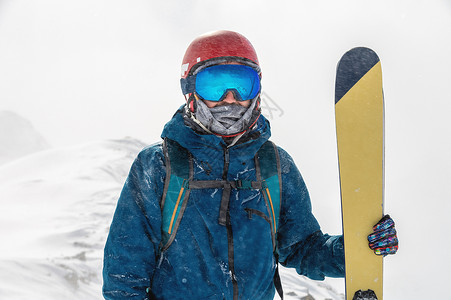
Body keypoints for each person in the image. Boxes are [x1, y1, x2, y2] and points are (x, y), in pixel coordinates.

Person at [102, 30, 398, 300]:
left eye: (242, 85)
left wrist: (357, 251)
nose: (230, 99)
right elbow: (124, 274)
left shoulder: (273, 165)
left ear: (257, 91)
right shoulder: (159, 166)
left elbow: (303, 248)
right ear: (189, 90)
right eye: (214, 85)